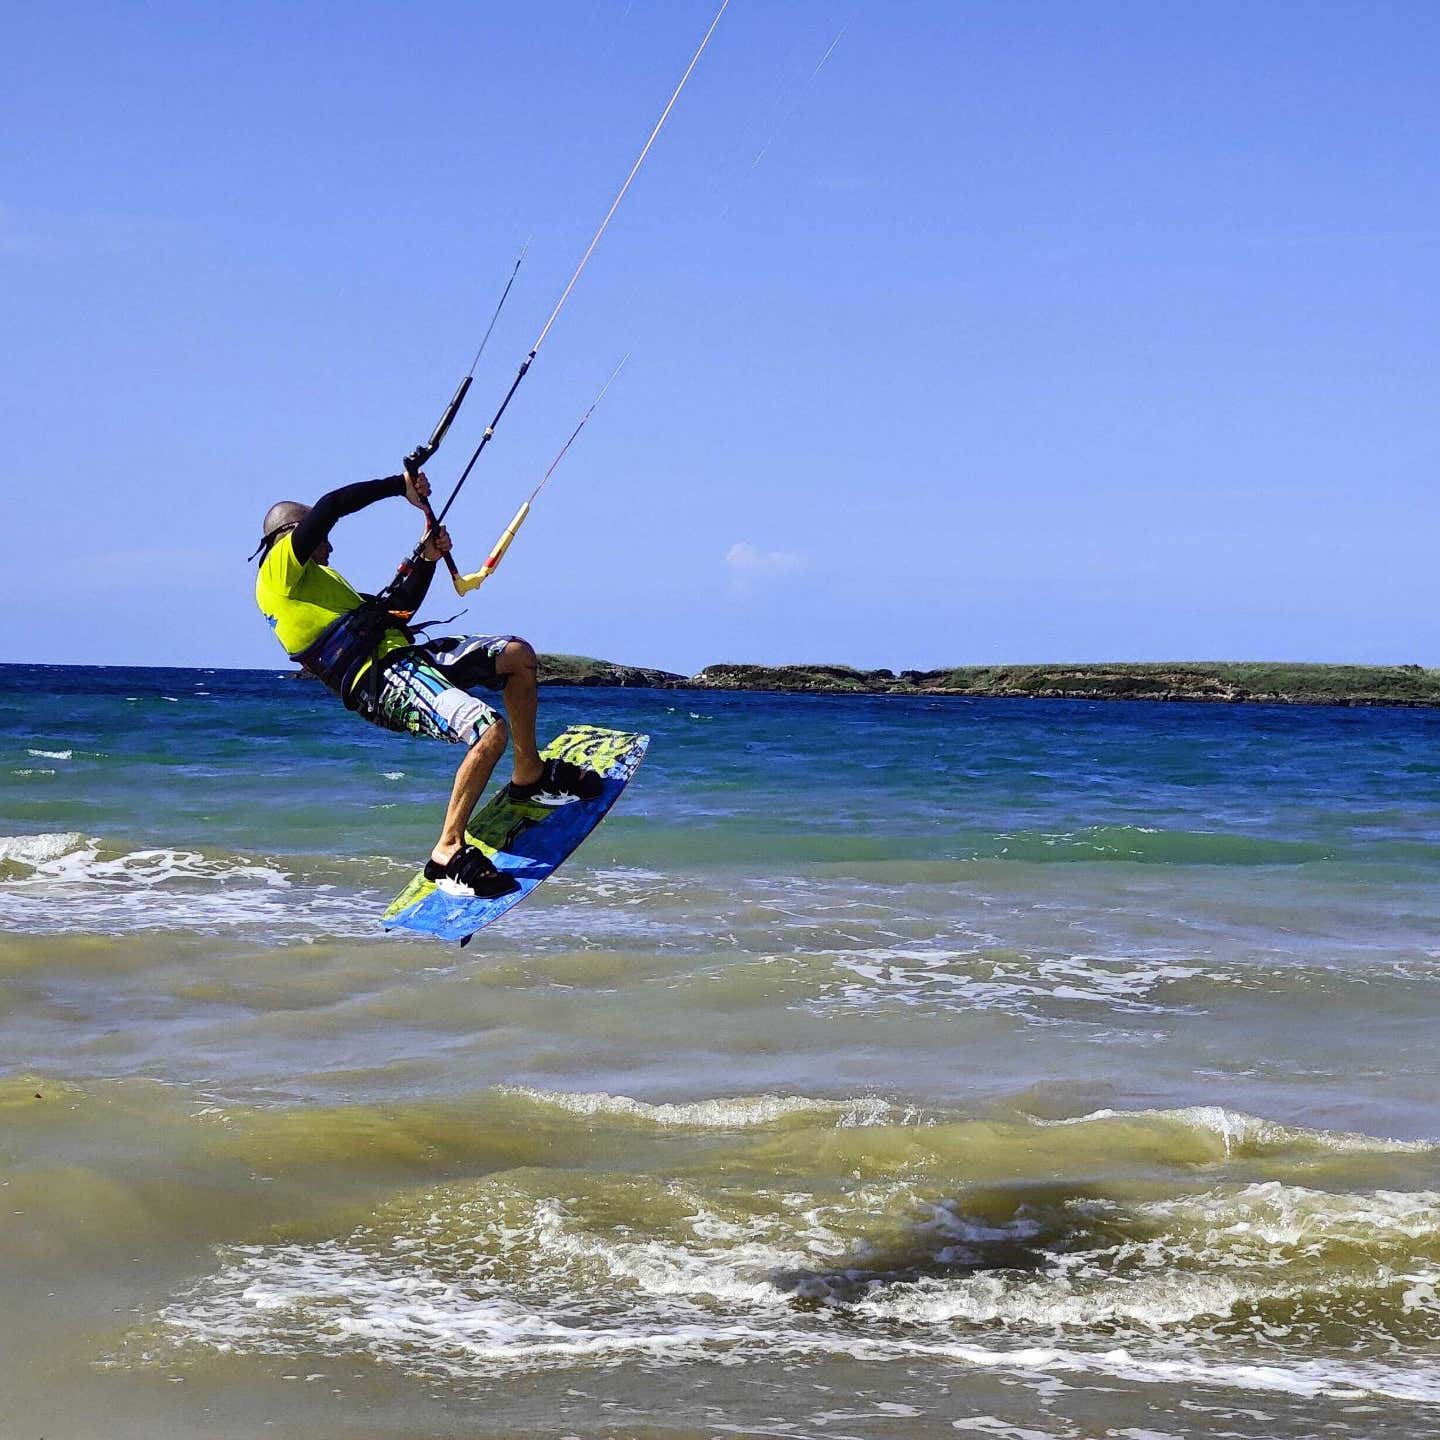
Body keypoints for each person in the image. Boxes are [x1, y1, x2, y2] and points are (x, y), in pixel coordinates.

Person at [252, 470, 598, 898]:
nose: (330, 544)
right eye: (316, 536)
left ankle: (529, 774)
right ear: (289, 534)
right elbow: (330, 506)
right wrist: (400, 487)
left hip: (406, 657)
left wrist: (427, 559)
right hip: (379, 680)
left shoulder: (321, 584)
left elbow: (397, 612)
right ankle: (447, 851)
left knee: (517, 656)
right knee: (488, 730)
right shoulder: (276, 574)